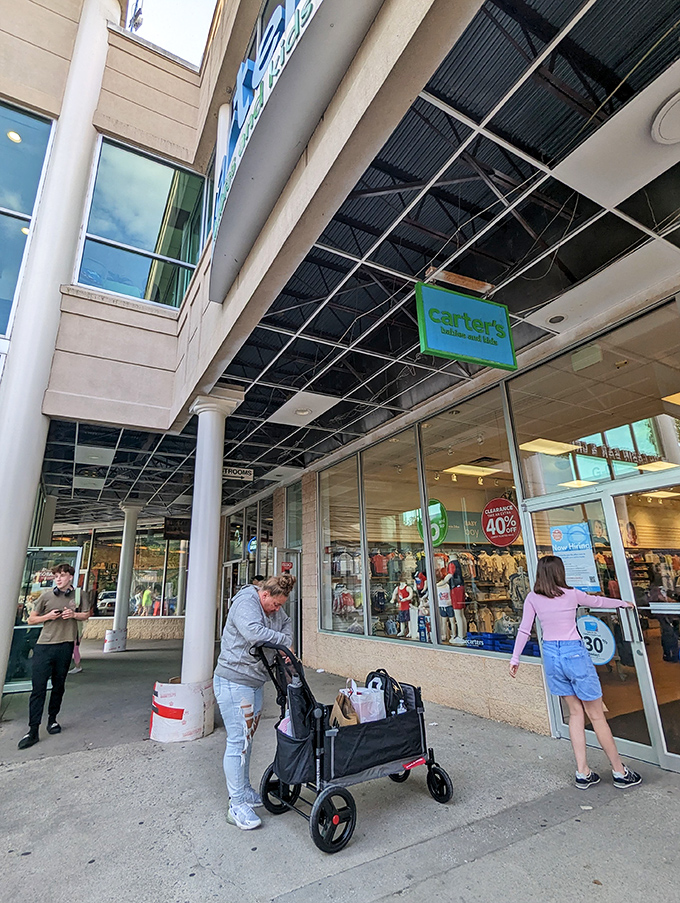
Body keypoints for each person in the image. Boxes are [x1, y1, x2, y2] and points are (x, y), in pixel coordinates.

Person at [509, 555, 642, 790]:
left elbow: (524, 629)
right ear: (560, 572)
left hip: (551, 655)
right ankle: (619, 772)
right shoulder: (572, 594)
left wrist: (515, 657)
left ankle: (583, 772)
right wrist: (623, 603)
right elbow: (599, 603)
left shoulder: (532, 598)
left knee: (574, 713)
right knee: (596, 715)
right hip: (574, 655)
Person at [213, 575, 295, 830]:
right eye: (275, 605)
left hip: (254, 681)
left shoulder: (275, 608)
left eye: (281, 606)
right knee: (238, 741)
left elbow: (288, 625)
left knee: (247, 740)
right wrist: (281, 642)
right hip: (234, 681)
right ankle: (236, 806)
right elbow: (254, 633)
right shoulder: (246, 603)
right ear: (264, 595)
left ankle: (245, 790)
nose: (277, 610)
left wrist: (282, 640)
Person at [18, 563, 92, 750]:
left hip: (65, 645)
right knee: (38, 688)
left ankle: (52, 719)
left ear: (70, 577)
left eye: (62, 575)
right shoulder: (46, 596)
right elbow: (31, 618)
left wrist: (73, 614)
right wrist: (48, 616)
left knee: (59, 685)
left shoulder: (79, 596)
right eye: (56, 576)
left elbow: (86, 615)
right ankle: (33, 729)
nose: (58, 578)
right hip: (44, 646)